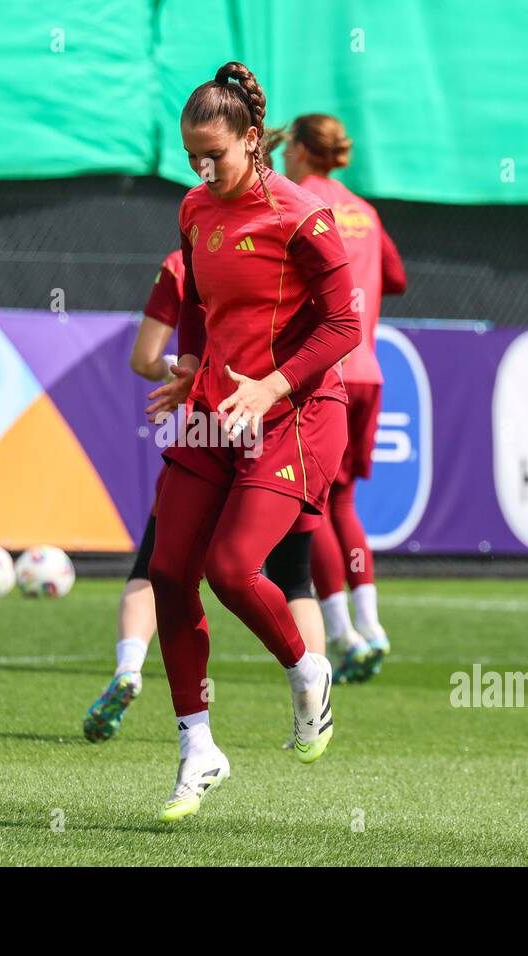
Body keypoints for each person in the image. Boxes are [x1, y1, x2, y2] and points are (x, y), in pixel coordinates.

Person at [144, 62, 361, 821]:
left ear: (251, 140)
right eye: (192, 156)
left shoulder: (300, 215)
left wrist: (272, 385)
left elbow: (345, 324)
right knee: (170, 572)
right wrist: (191, 365)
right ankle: (198, 747)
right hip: (217, 405)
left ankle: (308, 672)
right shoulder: (195, 207)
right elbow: (200, 303)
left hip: (295, 411)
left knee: (233, 568)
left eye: (217, 154)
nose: (203, 169)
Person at [83, 246, 331, 741]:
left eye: (209, 161)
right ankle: (312, 696)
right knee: (295, 576)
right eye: (197, 161)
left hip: (213, 429)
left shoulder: (181, 262)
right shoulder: (289, 248)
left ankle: (129, 668)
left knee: (157, 567)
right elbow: (342, 323)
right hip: (280, 424)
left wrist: (185, 370)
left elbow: (144, 359)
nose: (203, 171)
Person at [280, 114, 407, 683]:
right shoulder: (367, 212)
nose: (281, 159)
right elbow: (397, 278)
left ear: (304, 152)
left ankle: (340, 634)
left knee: (315, 505)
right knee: (345, 504)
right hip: (369, 370)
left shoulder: (297, 201)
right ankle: (372, 625)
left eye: (286, 148)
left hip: (321, 372)